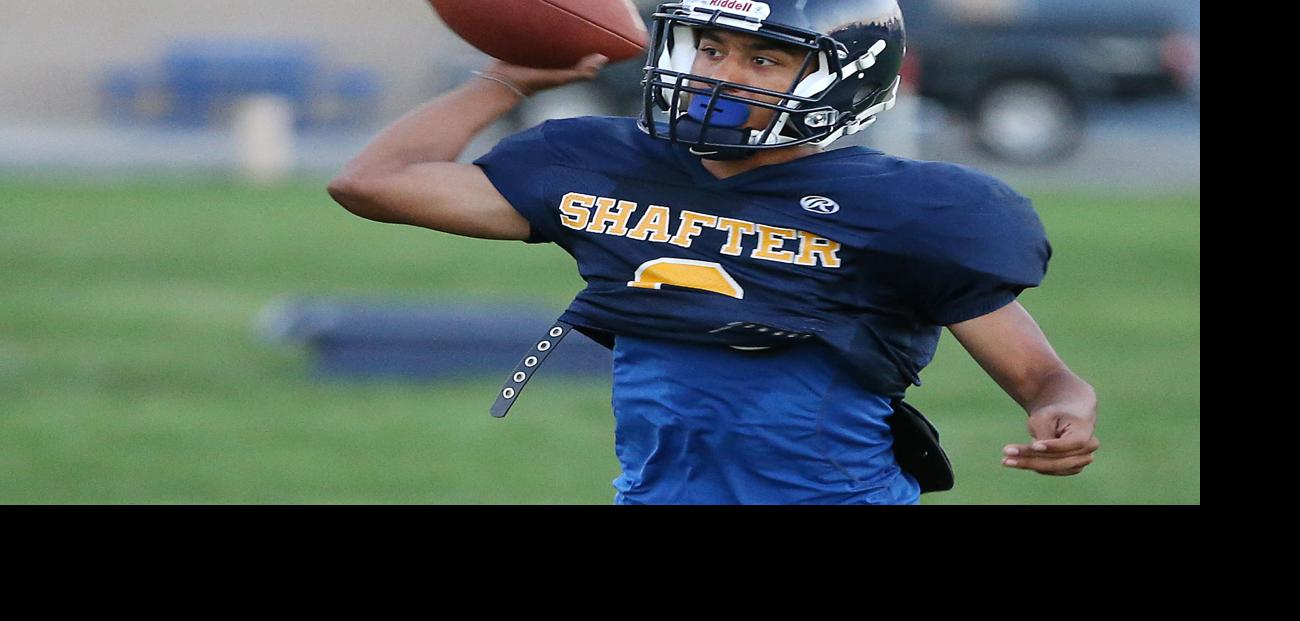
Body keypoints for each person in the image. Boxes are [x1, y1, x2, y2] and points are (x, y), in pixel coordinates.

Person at [328, 0, 1098, 504]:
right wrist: (502, 79)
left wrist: (1062, 409)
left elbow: (1040, 375)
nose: (720, 76)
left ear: (844, 81)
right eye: (710, 49)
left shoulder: (904, 209)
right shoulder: (614, 167)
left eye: (761, 60)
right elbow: (373, 182)